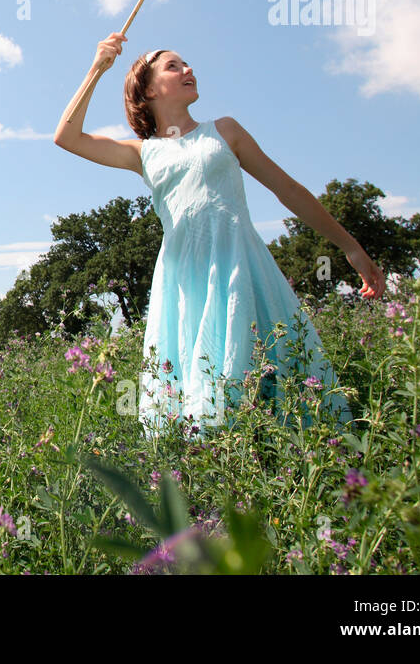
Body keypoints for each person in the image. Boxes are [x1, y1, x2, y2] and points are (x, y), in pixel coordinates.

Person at [54, 33, 385, 438]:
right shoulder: (142, 153)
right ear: (148, 89)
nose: (188, 69)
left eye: (186, 63)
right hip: (184, 283)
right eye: (173, 66)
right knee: (199, 392)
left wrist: (350, 247)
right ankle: (209, 484)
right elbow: (66, 138)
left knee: (274, 381)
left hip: (240, 269)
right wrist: (97, 68)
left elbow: (289, 190)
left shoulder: (225, 131)